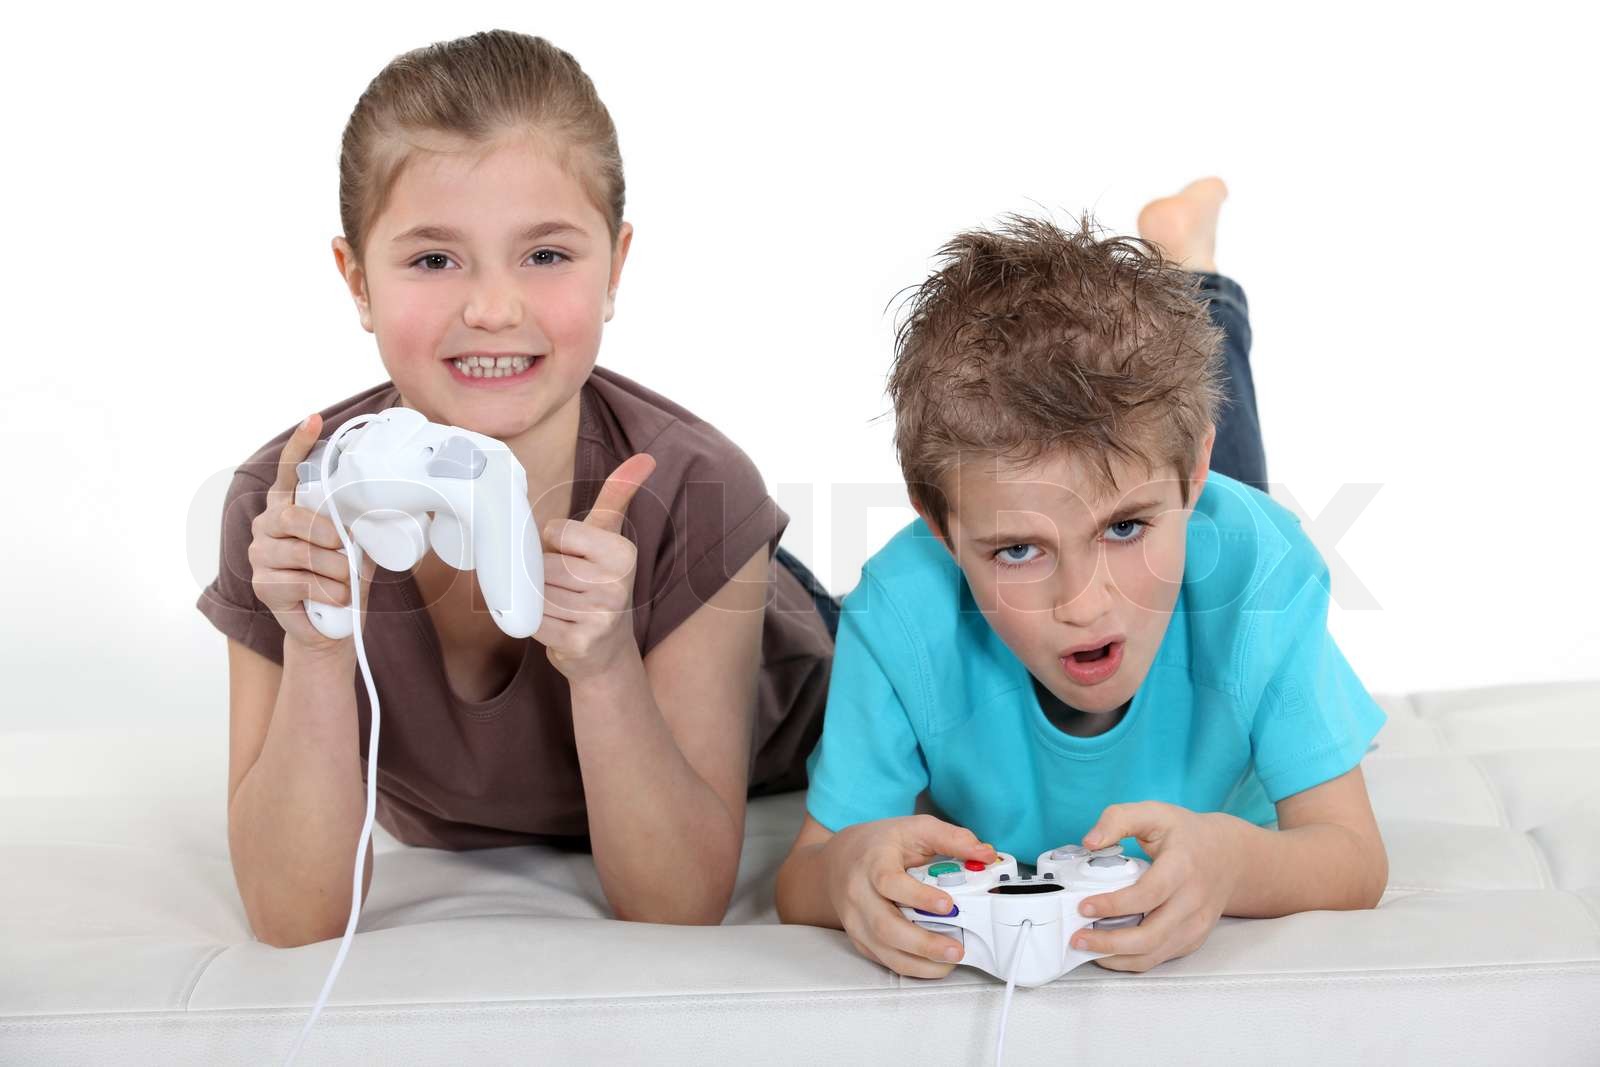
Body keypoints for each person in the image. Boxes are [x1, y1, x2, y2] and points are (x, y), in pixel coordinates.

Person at [196, 30, 834, 946]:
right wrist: (321, 647)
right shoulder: (285, 509)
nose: (493, 308)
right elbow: (294, 917)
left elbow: (677, 902)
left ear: (615, 267)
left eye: (545, 255)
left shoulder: (702, 487)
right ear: (357, 281)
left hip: (804, 650)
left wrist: (608, 662)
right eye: (431, 259)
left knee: (983, 627)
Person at [774, 178, 1388, 977]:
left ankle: (1192, 266)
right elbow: (802, 877)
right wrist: (847, 869)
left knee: (1229, 471)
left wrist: (1233, 862)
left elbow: (1354, 856)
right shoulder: (900, 613)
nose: (1086, 602)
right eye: (1018, 551)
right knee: (1160, 478)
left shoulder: (1255, 572)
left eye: (1124, 529)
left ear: (1191, 477)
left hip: (1212, 539)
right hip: (1179, 514)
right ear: (940, 523)